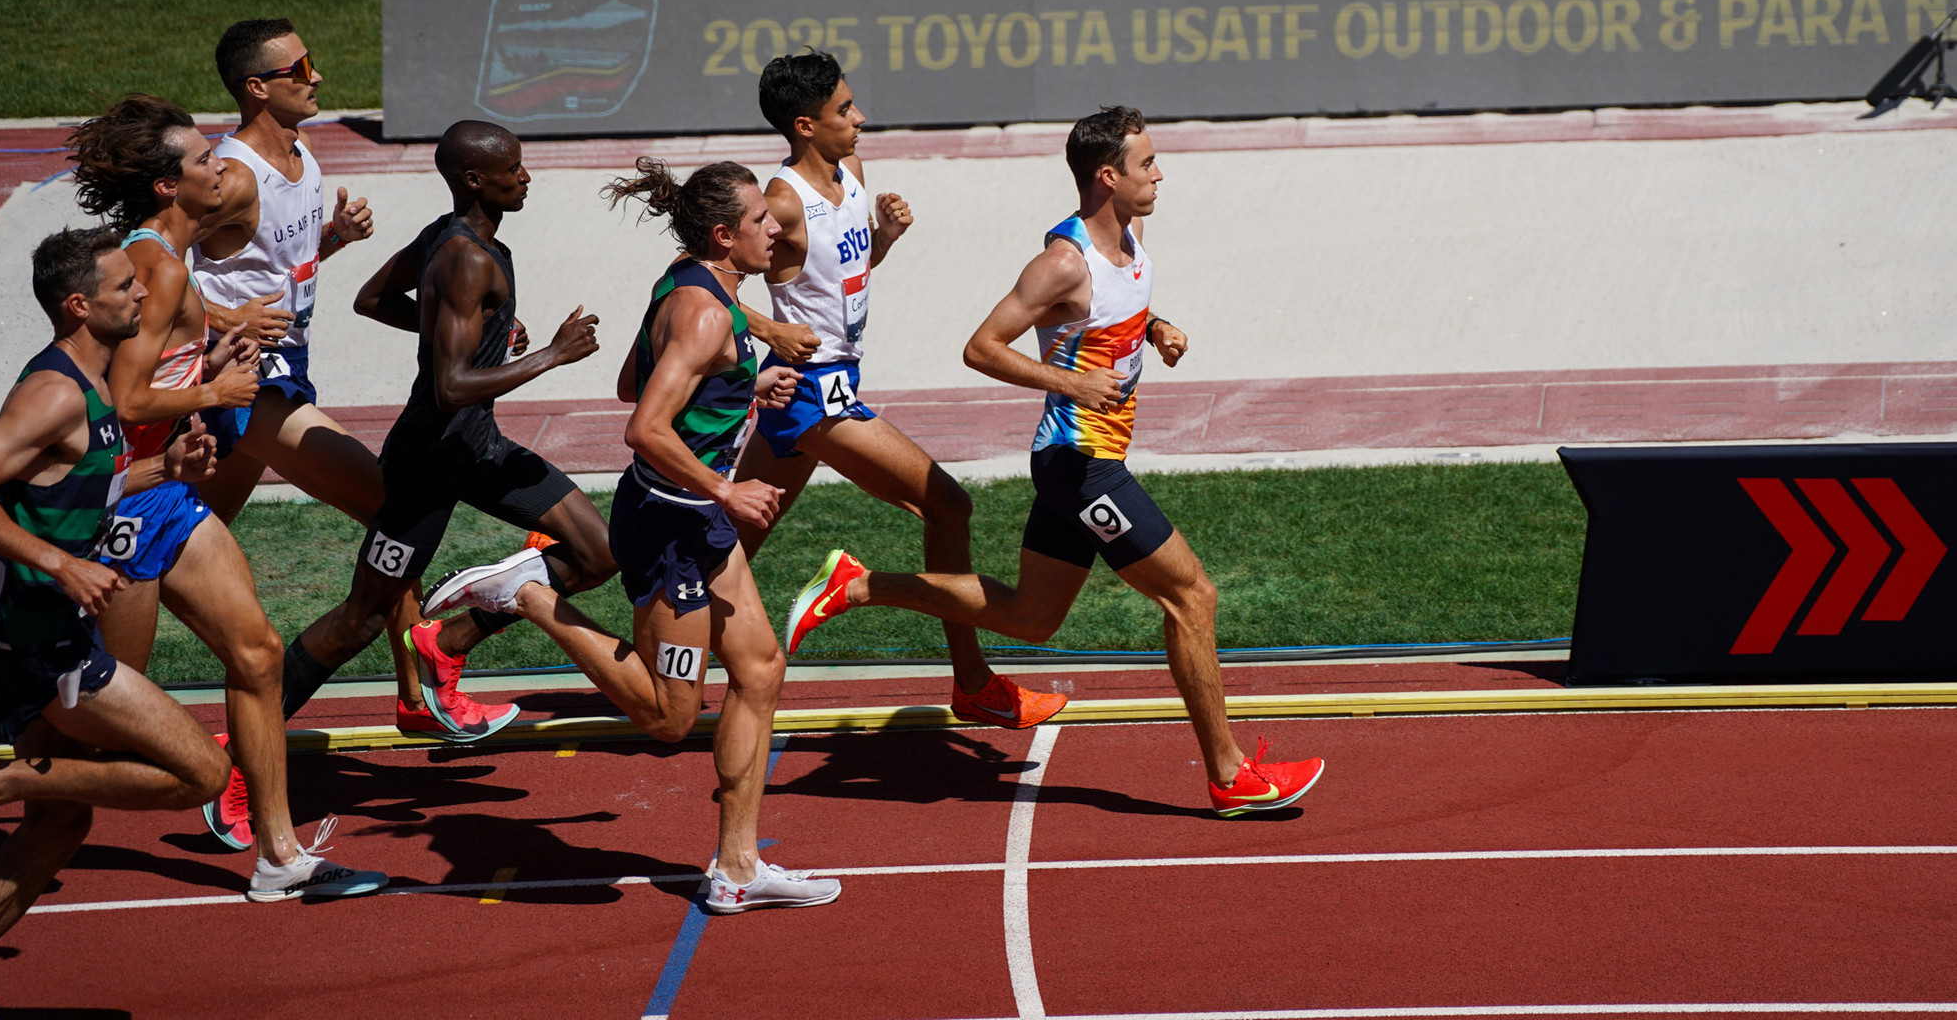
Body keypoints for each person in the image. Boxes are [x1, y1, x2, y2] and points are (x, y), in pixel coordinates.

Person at [785, 106, 1326, 817]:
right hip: (1081, 464)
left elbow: (1113, 307)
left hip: (1083, 461)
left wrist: (1156, 327)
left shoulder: (1129, 236)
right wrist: (1073, 383)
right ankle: (1227, 774)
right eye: (1146, 164)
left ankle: (859, 585)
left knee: (1031, 617)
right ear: (1108, 176)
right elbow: (982, 347)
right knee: (1192, 597)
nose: (1160, 173)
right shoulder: (1060, 263)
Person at [422, 158, 839, 914]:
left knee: (760, 669)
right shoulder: (708, 313)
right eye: (761, 220)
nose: (776, 226)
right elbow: (642, 424)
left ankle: (738, 867)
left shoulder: (690, 280)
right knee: (667, 718)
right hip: (675, 525)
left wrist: (743, 382)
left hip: (694, 520)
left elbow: (632, 381)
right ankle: (529, 595)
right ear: (724, 233)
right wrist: (727, 486)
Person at [68, 95, 387, 898]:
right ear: (171, 188)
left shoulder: (180, 265)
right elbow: (126, 398)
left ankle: (280, 859)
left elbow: (172, 356)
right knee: (99, 720)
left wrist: (220, 347)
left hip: (172, 495)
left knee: (257, 653)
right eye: (205, 162)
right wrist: (217, 394)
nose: (222, 168)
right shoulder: (157, 265)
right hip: (123, 506)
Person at [192, 18, 503, 741]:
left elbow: (271, 268)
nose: (317, 77)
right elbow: (150, 269)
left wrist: (334, 239)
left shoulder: (302, 159)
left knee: (167, 549)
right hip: (252, 382)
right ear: (256, 88)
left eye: (313, 61)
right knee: (392, 510)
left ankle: (44, 643)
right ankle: (420, 694)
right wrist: (226, 312)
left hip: (282, 369)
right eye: (301, 67)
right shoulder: (232, 174)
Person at [736, 51, 1065, 729]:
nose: (860, 119)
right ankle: (970, 682)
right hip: (812, 392)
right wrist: (772, 328)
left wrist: (881, 238)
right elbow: (700, 282)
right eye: (844, 111)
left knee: (726, 546)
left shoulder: (850, 174)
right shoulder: (777, 203)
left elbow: (846, 270)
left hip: (834, 382)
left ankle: (596, 619)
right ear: (805, 125)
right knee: (949, 507)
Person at [300, 120, 619, 734]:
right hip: (428, 462)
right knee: (363, 618)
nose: (526, 176)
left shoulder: (445, 239)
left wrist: (487, 334)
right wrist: (551, 354)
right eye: (513, 169)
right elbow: (449, 389)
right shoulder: (467, 259)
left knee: (599, 552)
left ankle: (448, 641)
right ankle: (242, 754)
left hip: (475, 450)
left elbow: (375, 300)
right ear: (475, 180)